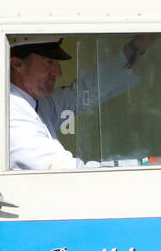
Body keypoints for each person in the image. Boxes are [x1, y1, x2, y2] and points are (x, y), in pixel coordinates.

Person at [8, 35, 153, 171]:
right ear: (17, 64)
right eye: (49, 62)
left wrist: (136, 48)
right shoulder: (13, 117)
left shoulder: (35, 103)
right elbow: (67, 173)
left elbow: (83, 93)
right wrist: (146, 163)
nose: (58, 72)